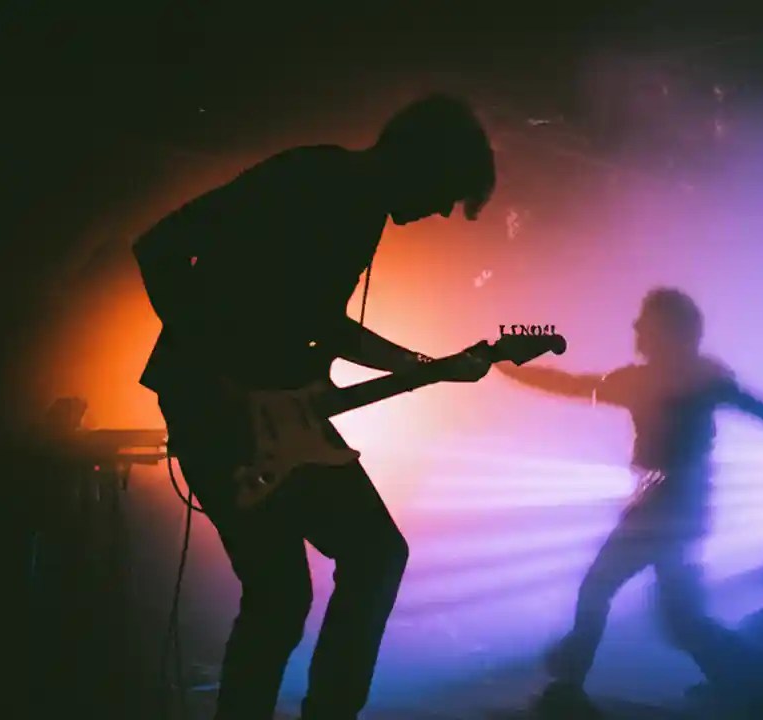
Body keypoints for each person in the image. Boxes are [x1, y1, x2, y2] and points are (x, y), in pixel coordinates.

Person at [133, 94, 495, 720]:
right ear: (421, 158)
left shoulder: (362, 210)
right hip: (216, 412)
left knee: (366, 559)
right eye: (445, 190)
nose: (440, 209)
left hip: (283, 414)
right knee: (282, 595)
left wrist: (423, 366)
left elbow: (321, 324)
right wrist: (217, 370)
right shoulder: (309, 176)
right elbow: (160, 245)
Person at [494, 287, 763, 713]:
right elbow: (571, 385)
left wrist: (506, 366)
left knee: (609, 590)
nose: (635, 328)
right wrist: (509, 368)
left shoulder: (689, 380)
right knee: (680, 619)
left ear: (666, 330)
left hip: (667, 506)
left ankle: (570, 683)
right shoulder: (665, 380)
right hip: (673, 506)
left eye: (644, 321)